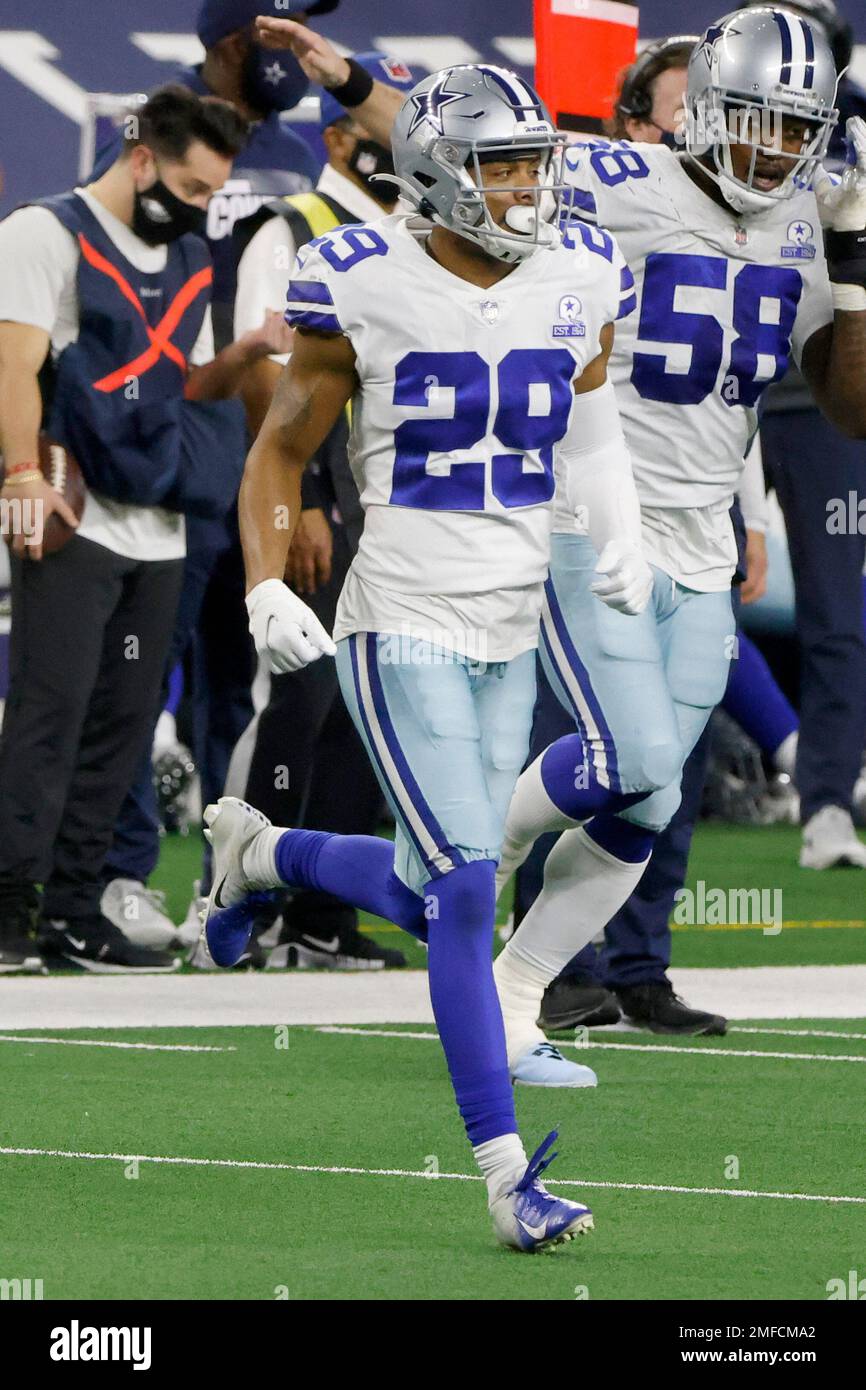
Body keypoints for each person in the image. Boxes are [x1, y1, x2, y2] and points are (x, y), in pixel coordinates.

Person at [204, 65, 649, 1248]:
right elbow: (280, 450)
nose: (527, 186)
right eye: (502, 164)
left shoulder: (576, 269)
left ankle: (262, 851)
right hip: (399, 616)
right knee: (462, 889)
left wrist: (621, 536)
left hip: (510, 622)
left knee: (431, 887)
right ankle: (507, 1177)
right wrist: (259, 581)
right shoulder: (363, 280)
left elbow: (593, 430)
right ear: (445, 172)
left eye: (533, 162)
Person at [491, 8, 866, 1077]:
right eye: (756, 121)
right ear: (702, 108)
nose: (778, 149)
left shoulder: (807, 216)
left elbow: (849, 409)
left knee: (655, 794)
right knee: (630, 753)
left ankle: (523, 985)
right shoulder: (607, 179)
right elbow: (447, 151)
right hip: (589, 511)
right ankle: (471, 858)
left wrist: (849, 263)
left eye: (799, 128)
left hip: (702, 530)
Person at [0, 86, 272, 973]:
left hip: (158, 524)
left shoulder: (187, 251)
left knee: (121, 727)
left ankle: (74, 914)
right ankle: (9, 908)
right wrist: (18, 478)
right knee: (50, 715)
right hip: (75, 506)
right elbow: (15, 364)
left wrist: (243, 351)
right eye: (192, 188)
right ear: (144, 156)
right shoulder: (45, 232)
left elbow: (184, 386)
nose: (199, 210)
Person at [206, 50, 420, 971]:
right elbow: (263, 381)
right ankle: (249, 894)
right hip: (323, 500)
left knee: (370, 706)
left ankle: (323, 917)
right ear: (338, 135)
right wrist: (310, 503)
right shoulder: (294, 226)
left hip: (399, 510)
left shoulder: (419, 232)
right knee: (301, 696)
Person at [737, 0, 866, 868]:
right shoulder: (728, 118)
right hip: (720, 380)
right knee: (681, 596)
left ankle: (824, 799)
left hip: (822, 387)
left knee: (835, 612)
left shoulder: (855, 127)